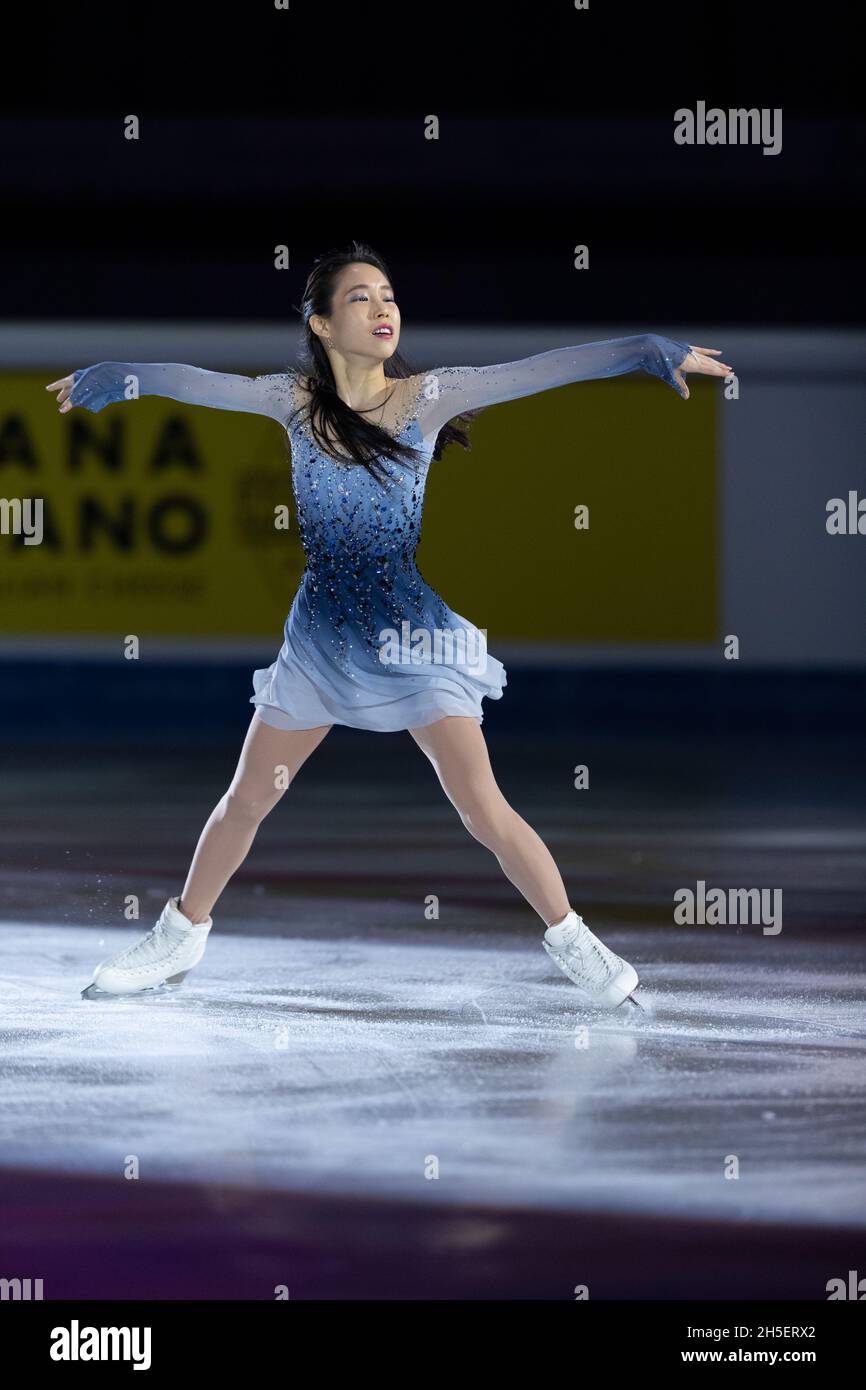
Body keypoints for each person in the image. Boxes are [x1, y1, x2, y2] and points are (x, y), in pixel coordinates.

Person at [46, 240, 732, 1009]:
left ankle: (577, 942)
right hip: (319, 638)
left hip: (411, 637)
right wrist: (121, 378)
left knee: (481, 804)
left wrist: (644, 351)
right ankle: (177, 941)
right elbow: (199, 383)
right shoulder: (295, 403)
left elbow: (543, 370)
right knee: (247, 798)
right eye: (360, 298)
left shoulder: (431, 396)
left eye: (389, 295)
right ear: (321, 324)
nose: (382, 309)